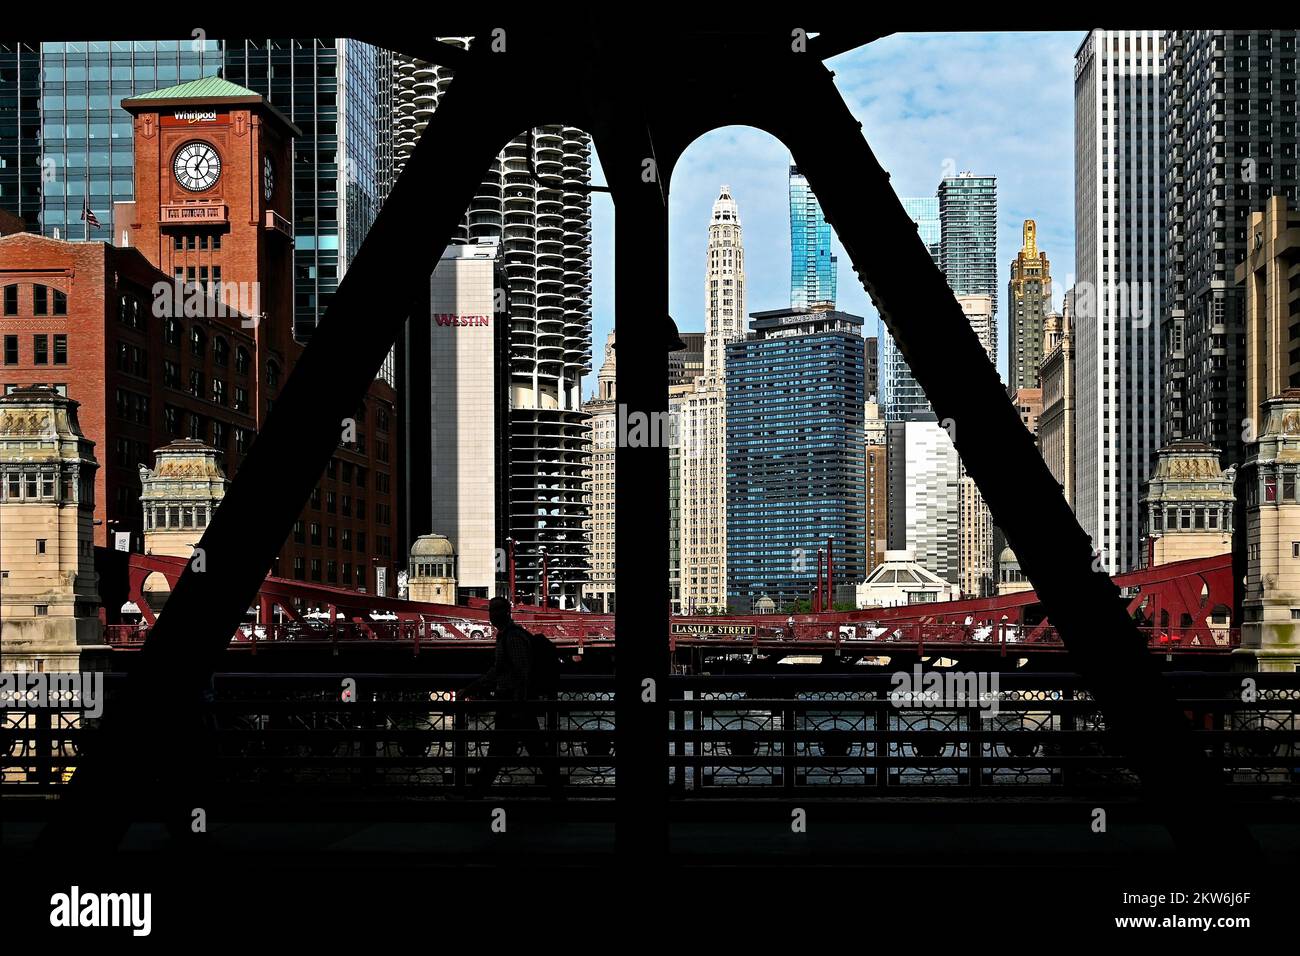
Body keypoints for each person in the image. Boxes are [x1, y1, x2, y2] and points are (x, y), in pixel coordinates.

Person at [460, 597, 562, 798]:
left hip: (514, 704)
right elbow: (500, 670)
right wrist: (474, 687)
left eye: (496, 610)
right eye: (491, 610)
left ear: (507, 612)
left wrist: (517, 704)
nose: (492, 615)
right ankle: (559, 795)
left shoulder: (512, 637)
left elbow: (520, 672)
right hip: (514, 704)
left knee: (503, 753)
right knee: (531, 751)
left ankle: (474, 796)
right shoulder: (507, 635)